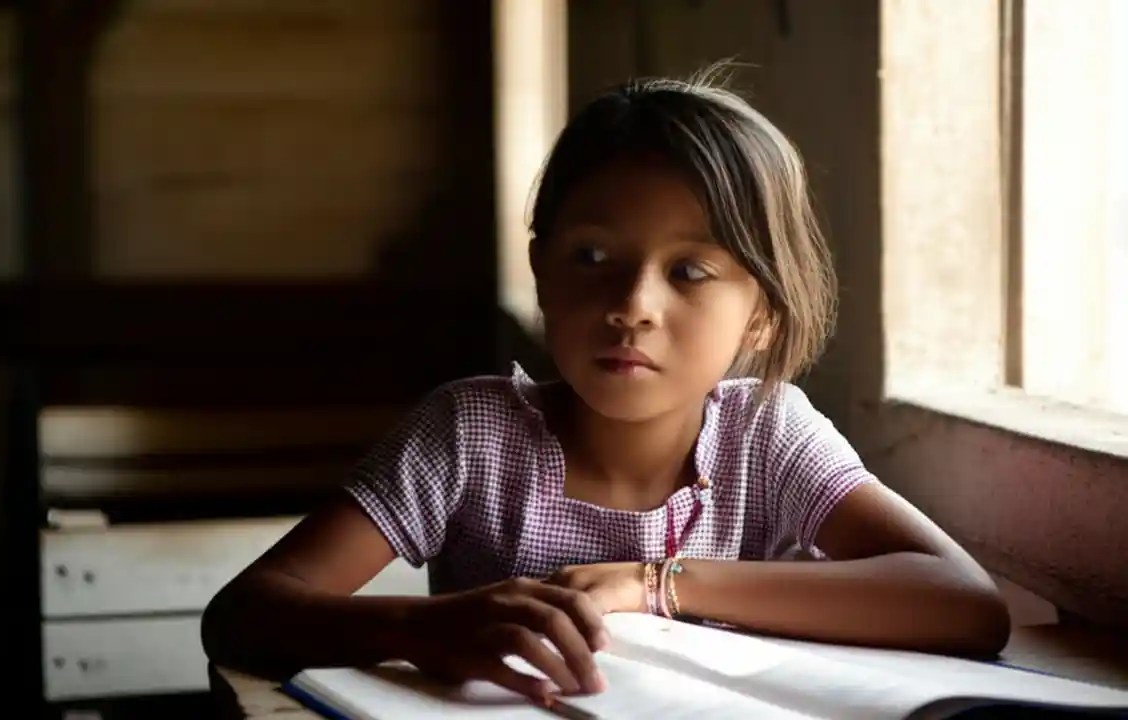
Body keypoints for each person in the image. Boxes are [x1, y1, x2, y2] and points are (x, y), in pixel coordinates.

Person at [201, 70, 1010, 707]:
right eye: (593, 259)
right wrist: (426, 627)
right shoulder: (471, 435)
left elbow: (965, 603)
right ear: (542, 273)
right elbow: (246, 612)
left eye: (689, 272)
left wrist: (650, 584)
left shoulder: (767, 435)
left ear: (760, 315)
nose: (632, 308)